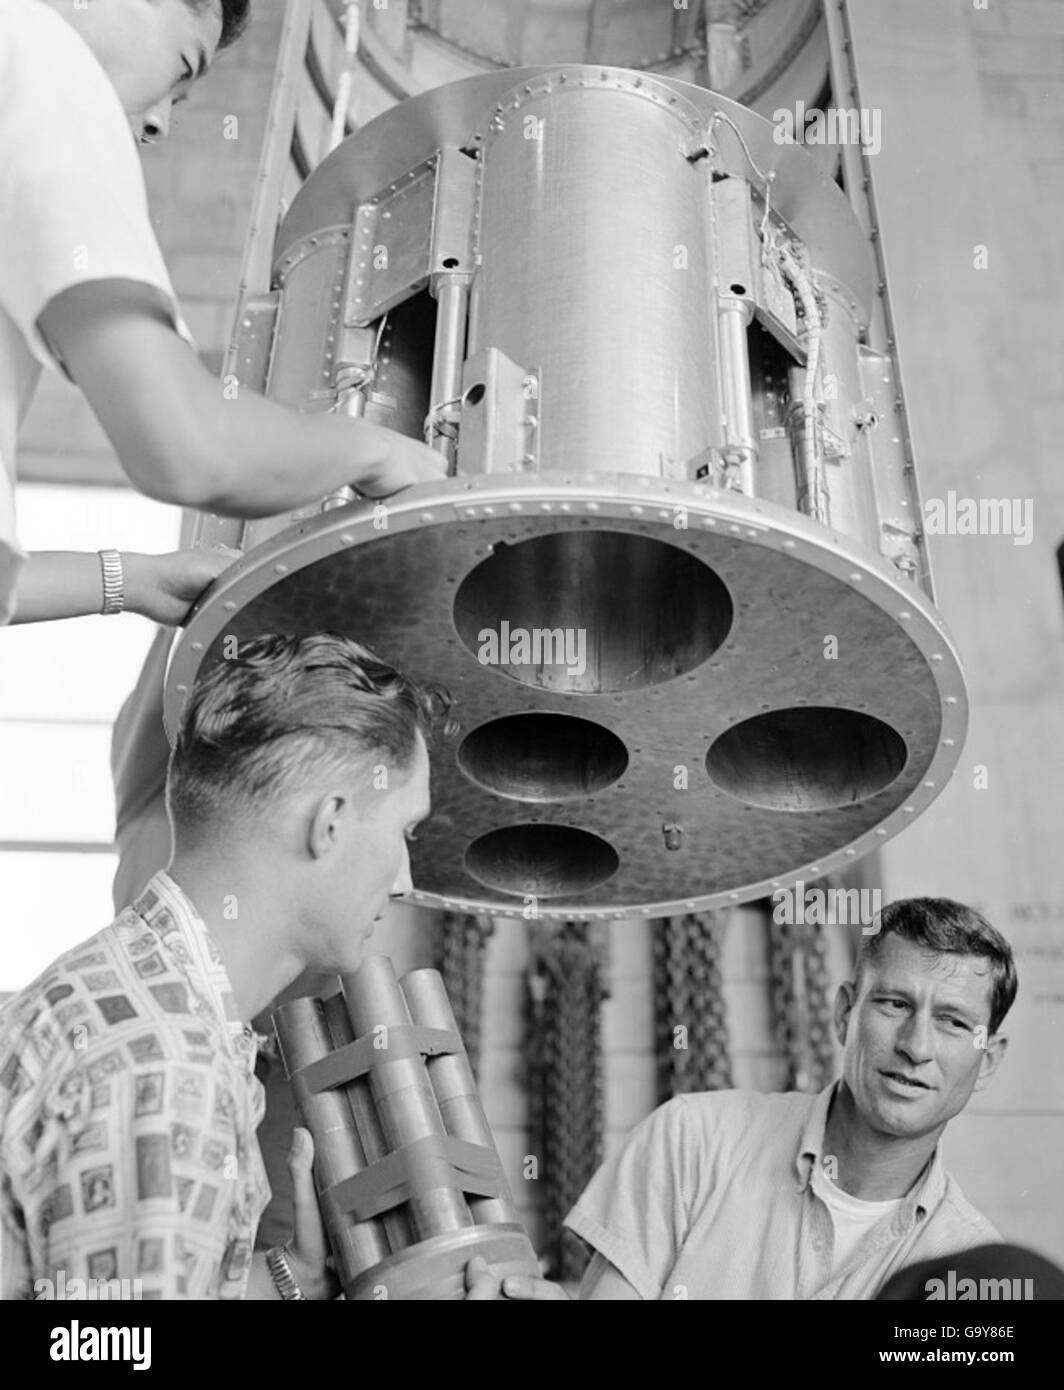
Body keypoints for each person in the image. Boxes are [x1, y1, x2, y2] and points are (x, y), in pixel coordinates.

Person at [0, 633, 495, 1300]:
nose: (405, 880)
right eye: (405, 831)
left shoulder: (142, 999)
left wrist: (289, 1280)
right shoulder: (167, 1068)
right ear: (331, 824)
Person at [1, 0, 444, 626]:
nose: (157, 125)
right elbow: (187, 447)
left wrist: (130, 581)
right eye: (182, 70)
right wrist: (371, 450)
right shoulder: (39, 55)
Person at [499, 898, 1017, 1300]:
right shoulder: (693, 1142)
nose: (915, 1046)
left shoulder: (968, 1269)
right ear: (844, 1014)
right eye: (894, 1004)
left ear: (987, 1060)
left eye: (952, 1022)